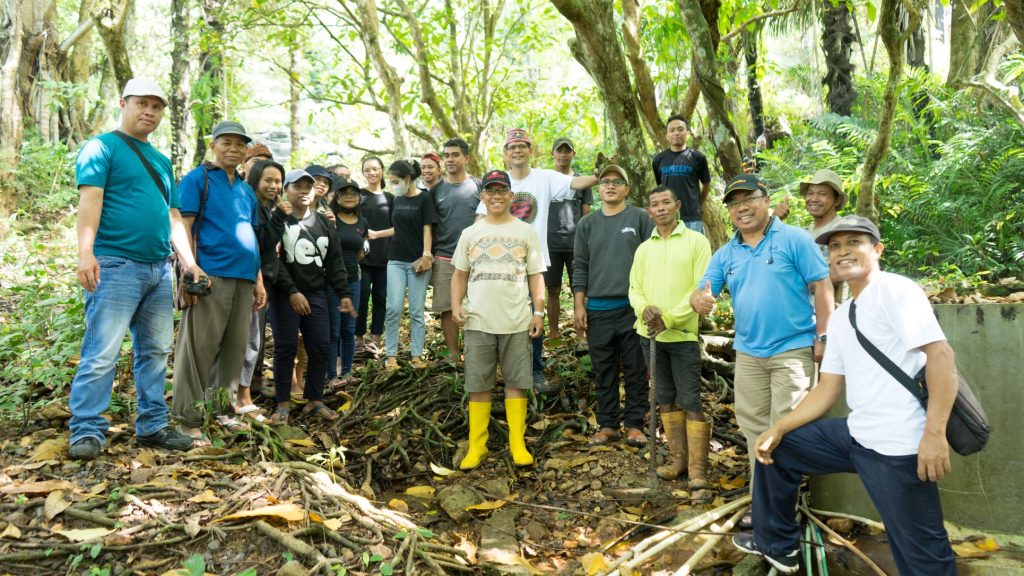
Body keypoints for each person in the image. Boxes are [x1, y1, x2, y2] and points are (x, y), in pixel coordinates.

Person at [732, 215, 958, 575]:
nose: (842, 251)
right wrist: (778, 428)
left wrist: (934, 434)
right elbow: (827, 388)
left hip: (899, 446)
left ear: (877, 249)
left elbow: (941, 356)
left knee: (922, 555)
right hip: (857, 435)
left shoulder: (894, 290)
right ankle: (777, 544)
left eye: (854, 242)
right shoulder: (841, 317)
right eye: (835, 246)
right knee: (779, 448)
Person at [69, 78, 200, 459]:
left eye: (157, 107)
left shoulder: (161, 161)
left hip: (159, 269)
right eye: (142, 103)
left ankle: (152, 426)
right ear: (123, 103)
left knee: (156, 351)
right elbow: (90, 202)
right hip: (115, 265)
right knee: (102, 352)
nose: (150, 112)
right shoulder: (101, 148)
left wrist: (189, 262)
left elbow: (173, 216)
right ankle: (87, 430)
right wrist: (85, 253)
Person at [691, 174, 834, 477]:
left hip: (792, 349)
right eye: (733, 203)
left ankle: (784, 501)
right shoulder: (726, 253)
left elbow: (823, 286)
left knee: (788, 427)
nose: (741, 207)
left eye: (748, 199)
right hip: (748, 353)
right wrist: (698, 300)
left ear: (767, 201)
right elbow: (702, 290)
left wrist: (823, 337)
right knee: (754, 428)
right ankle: (763, 496)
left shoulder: (794, 239)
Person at [477, 128, 598, 392]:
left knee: (535, 314)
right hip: (500, 263)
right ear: (505, 153)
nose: (517, 150)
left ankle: (535, 371)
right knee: (501, 315)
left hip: (532, 262)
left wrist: (603, 175)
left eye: (522, 146)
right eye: (512, 147)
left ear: (531, 151)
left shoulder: (545, 178)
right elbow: (480, 219)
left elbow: (576, 183)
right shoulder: (499, 182)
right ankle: (502, 370)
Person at [172, 120, 267, 444]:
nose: (233, 149)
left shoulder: (244, 189)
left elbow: (250, 234)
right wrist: (190, 266)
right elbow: (183, 225)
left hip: (244, 277)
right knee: (198, 349)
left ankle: (222, 412)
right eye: (226, 142)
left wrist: (258, 280)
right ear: (213, 145)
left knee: (233, 349)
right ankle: (188, 420)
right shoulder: (197, 179)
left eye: (240, 144)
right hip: (210, 274)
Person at [451, 169, 545, 470]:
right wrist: (455, 305)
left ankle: (517, 442)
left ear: (511, 196)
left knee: (517, 382)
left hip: (517, 320)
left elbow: (536, 275)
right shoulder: (470, 233)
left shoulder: (526, 232)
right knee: (479, 384)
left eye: (501, 190)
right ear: (483, 196)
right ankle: (476, 446)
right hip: (478, 319)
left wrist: (538, 312)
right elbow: (459, 274)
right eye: (490, 191)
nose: (496, 196)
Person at [629, 186, 712, 486]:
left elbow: (701, 287)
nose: (661, 208)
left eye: (666, 202)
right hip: (650, 335)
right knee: (664, 399)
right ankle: (678, 460)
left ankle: (698, 470)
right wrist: (645, 310)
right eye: (655, 204)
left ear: (677, 205)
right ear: (649, 211)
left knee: (690, 400)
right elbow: (634, 288)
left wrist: (670, 318)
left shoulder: (696, 242)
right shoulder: (644, 248)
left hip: (682, 335)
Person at [573, 165, 654, 447]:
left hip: (633, 307)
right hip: (598, 308)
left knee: (635, 368)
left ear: (627, 189)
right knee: (603, 370)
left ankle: (635, 425)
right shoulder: (587, 224)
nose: (610, 186)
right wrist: (579, 305)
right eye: (605, 181)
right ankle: (608, 425)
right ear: (598, 189)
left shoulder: (640, 217)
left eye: (617, 182)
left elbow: (653, 259)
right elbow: (580, 265)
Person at [268, 170, 355, 425]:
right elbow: (271, 258)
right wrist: (292, 291)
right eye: (298, 186)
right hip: (283, 293)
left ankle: (314, 400)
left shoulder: (324, 223)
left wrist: (344, 293)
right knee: (286, 347)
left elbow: (335, 260)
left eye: (309, 186)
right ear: (286, 190)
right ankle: (282, 403)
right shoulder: (278, 220)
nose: (304, 190)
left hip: (316, 291)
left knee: (320, 346)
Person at [234, 159, 287, 419]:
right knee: (249, 340)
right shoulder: (252, 206)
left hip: (262, 280)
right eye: (268, 180)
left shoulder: (265, 208)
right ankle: (241, 399)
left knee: (253, 339)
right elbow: (262, 243)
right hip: (250, 280)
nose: (274, 186)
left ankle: (243, 394)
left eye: (278, 181)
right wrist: (280, 217)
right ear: (255, 180)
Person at [378, 160, 439, 369]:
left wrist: (426, 255)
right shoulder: (397, 199)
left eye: (396, 181)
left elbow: (427, 229)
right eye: (391, 182)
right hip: (395, 260)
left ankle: (416, 355)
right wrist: (376, 234)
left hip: (417, 262)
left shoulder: (424, 198)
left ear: (408, 178)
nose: (393, 185)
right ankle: (391, 356)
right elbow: (398, 228)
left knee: (416, 311)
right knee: (393, 308)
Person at [430, 138, 482, 359]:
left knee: (478, 305)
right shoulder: (436, 190)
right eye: (447, 155)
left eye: (455, 155)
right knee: (448, 307)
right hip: (445, 257)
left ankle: (476, 353)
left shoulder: (478, 185)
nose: (450, 159)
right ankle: (452, 355)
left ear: (466, 158)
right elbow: (429, 225)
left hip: (477, 257)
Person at [546, 137, 592, 340]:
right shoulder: (545, 180)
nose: (563, 155)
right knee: (552, 289)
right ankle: (554, 334)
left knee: (579, 290)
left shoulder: (582, 181)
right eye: (559, 151)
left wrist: (587, 243)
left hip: (575, 245)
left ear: (574, 154)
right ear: (553, 153)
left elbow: (586, 215)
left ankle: (582, 335)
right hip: (550, 244)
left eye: (567, 151)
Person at [328, 177, 368, 385]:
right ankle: (331, 375)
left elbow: (361, 249)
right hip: (332, 281)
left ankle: (347, 372)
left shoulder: (362, 222)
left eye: (354, 193)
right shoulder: (330, 218)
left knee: (349, 329)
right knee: (333, 330)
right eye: (344, 193)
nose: (350, 196)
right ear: (337, 197)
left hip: (353, 280)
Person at [652, 115, 711, 234]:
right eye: (672, 130)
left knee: (694, 246)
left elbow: (706, 184)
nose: (676, 133)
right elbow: (659, 187)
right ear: (667, 135)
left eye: (680, 129)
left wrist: (698, 204)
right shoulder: (658, 160)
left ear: (687, 133)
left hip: (692, 218)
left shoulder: (698, 157)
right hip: (668, 217)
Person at [357, 156, 391, 354]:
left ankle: (376, 338)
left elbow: (398, 226)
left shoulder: (390, 198)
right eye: (367, 169)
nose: (371, 173)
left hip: (385, 256)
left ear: (382, 171)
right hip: (361, 257)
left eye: (375, 169)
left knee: (381, 297)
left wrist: (378, 234)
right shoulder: (358, 195)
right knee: (361, 297)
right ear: (363, 173)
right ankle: (359, 338)